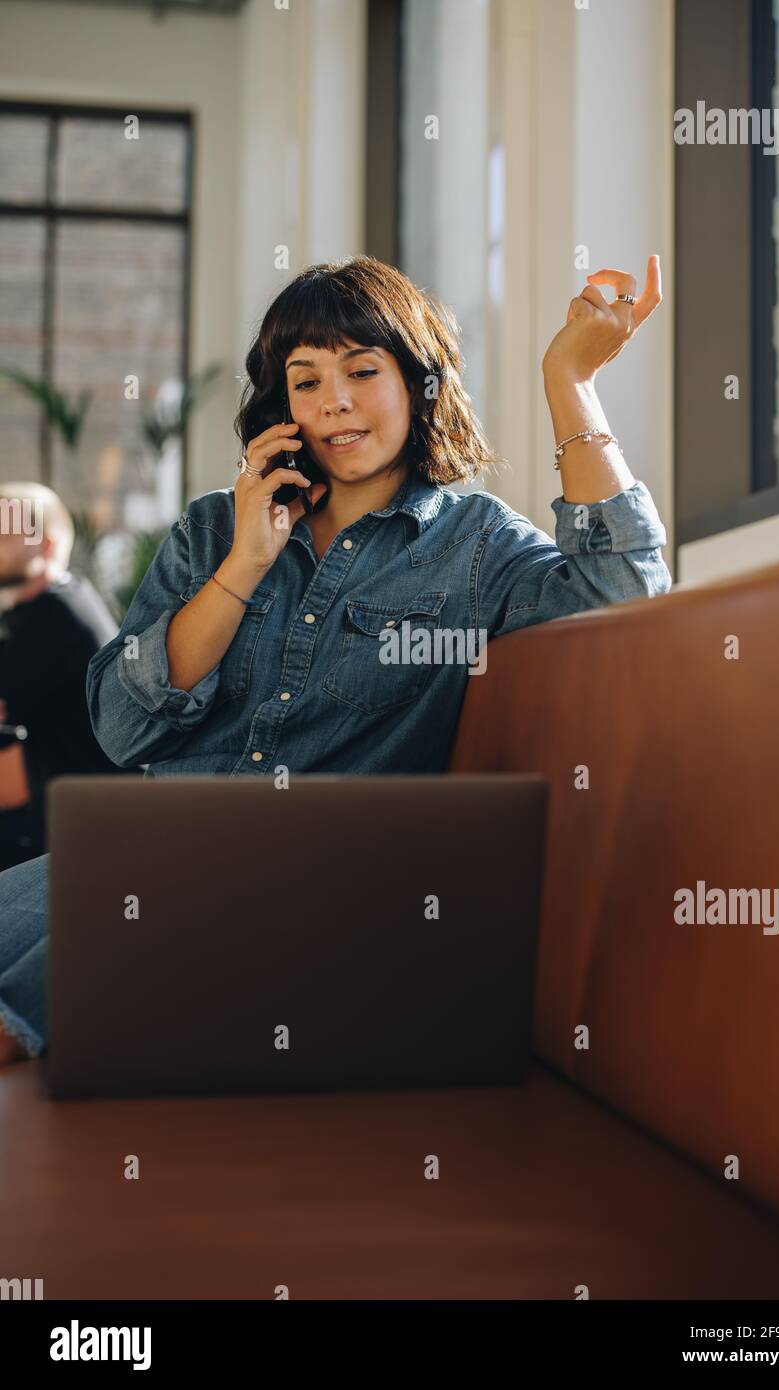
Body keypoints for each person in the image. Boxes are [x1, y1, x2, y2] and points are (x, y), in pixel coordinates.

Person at [0, 252, 671, 1066]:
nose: (335, 402)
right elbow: (118, 728)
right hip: (143, 850)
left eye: (361, 369)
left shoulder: (475, 545)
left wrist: (571, 382)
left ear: (420, 384)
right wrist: (245, 563)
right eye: (305, 379)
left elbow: (627, 594)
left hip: (308, 890)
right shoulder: (214, 530)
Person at [0, 482, 131, 872]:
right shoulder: (42, 606)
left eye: (5, 532)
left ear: (48, 546)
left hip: (86, 837)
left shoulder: (58, 614)